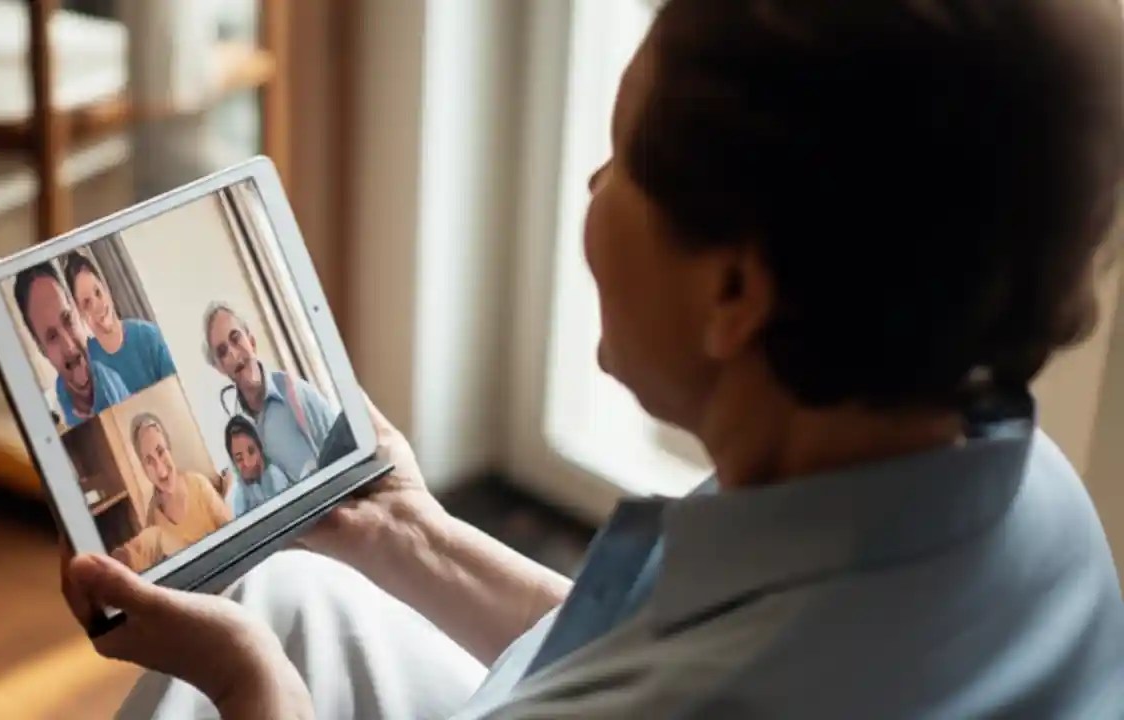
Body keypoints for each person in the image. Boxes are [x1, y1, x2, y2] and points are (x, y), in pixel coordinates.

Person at [63, 0, 1124, 717]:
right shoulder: (1030, 499)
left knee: (251, 643)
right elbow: (630, 651)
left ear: (733, 292)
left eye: (620, 160)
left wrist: (257, 692)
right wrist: (409, 535)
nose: (590, 189)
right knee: (290, 594)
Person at [201, 301, 337, 482]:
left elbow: (346, 453)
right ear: (220, 368)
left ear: (251, 342)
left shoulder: (296, 393)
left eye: (236, 339)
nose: (233, 354)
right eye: (222, 351)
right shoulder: (233, 432)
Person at [14, 261, 129, 428]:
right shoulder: (51, 422)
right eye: (52, 336)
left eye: (68, 320)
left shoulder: (119, 378)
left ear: (77, 314)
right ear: (41, 348)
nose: (70, 347)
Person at [114, 412, 234, 572]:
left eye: (161, 451)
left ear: (169, 448)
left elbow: (233, 532)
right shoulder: (152, 521)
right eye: (149, 461)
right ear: (143, 468)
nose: (160, 468)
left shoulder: (198, 484)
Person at [62, 252, 178, 394]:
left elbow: (178, 395)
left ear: (106, 289)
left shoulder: (149, 336)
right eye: (87, 303)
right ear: (80, 313)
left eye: (98, 292)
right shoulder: (86, 366)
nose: (98, 306)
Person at [224, 415, 296, 517]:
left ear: (260, 448)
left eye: (251, 452)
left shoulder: (276, 477)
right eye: (239, 459)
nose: (248, 463)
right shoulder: (237, 497)